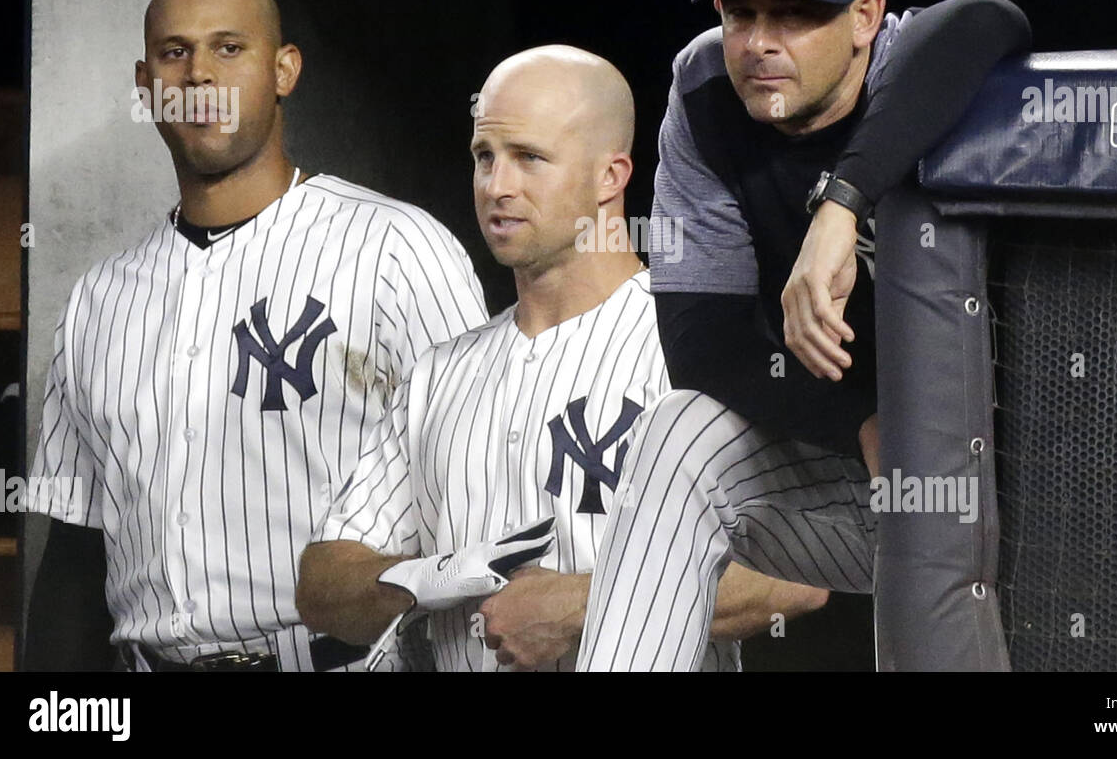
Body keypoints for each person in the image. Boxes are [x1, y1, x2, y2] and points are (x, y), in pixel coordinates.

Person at [576, 0, 1032, 670]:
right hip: (856, 476)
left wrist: (841, 205)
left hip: (1007, 493)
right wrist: (860, 423)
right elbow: (702, 344)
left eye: (794, 14)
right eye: (740, 13)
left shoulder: (916, 65)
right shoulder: (706, 91)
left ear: (864, 18)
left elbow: (991, 17)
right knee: (676, 432)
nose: (759, 42)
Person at [295, 45, 825, 671]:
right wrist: (429, 577)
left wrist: (582, 606)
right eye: (483, 157)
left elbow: (801, 576)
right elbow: (323, 584)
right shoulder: (438, 374)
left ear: (611, 175)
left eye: (529, 158)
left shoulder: (701, 346)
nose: (497, 186)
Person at [25, 0, 488, 671]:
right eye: (175, 53)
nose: (199, 76)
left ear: (284, 70)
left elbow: (478, 501)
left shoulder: (396, 249)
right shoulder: (98, 299)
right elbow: (76, 552)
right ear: (146, 83)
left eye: (229, 48)